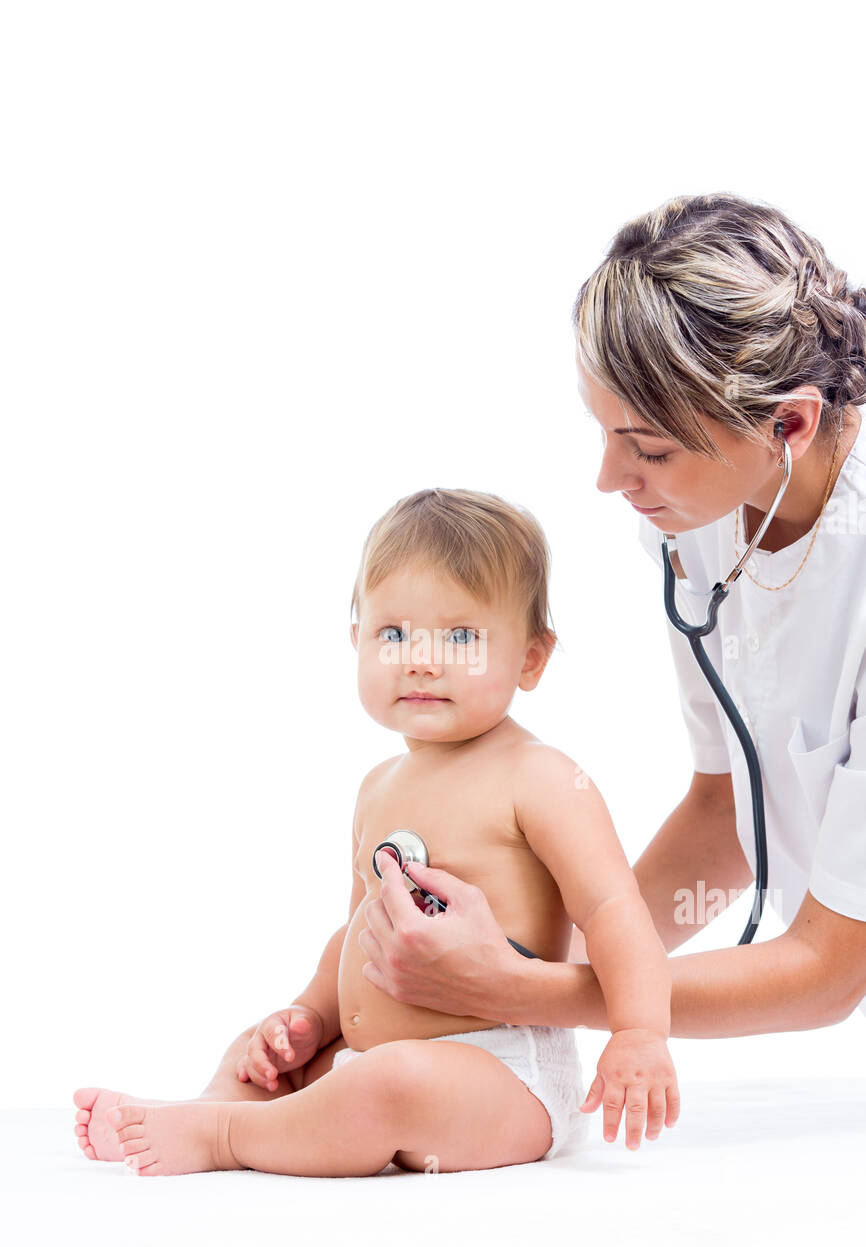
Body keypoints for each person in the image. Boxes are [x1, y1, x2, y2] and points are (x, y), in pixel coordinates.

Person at [356, 192, 866, 1045]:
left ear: (790, 422)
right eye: (606, 431)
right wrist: (509, 956)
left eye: (650, 448)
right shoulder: (702, 509)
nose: (609, 478)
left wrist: (525, 989)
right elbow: (727, 813)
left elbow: (832, 969)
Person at [72, 489, 679, 1176]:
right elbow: (360, 929)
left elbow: (612, 910)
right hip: (376, 1063)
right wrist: (307, 1018)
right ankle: (215, 1106)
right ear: (356, 639)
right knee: (260, 1049)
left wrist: (638, 1033)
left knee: (387, 1086)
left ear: (531, 659)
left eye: (461, 637)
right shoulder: (378, 787)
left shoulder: (539, 777)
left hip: (503, 1075)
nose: (420, 660)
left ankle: (224, 1138)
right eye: (393, 634)